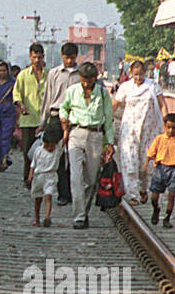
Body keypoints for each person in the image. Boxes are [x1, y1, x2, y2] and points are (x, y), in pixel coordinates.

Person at [60, 62, 115, 230]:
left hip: (96, 136)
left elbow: (108, 120)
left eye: (89, 81)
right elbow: (64, 109)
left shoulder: (103, 94)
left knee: (91, 180)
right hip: (76, 133)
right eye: (83, 80)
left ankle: (84, 211)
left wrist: (110, 143)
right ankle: (79, 216)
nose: (85, 84)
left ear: (95, 79)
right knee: (75, 177)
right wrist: (64, 124)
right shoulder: (72, 91)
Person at [114, 60, 166, 205]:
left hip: (148, 130)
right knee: (129, 161)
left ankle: (143, 188)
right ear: (131, 73)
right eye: (136, 75)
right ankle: (132, 195)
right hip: (129, 130)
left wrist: (166, 124)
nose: (138, 78)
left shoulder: (152, 86)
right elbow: (115, 104)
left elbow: (162, 105)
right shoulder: (125, 87)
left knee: (145, 163)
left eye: (141, 74)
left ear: (145, 73)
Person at [40, 42, 81, 206]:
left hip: (75, 118)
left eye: (72, 58)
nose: (69, 61)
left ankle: (73, 191)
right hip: (56, 117)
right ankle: (62, 193)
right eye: (66, 58)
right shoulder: (54, 73)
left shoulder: (81, 74)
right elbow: (48, 97)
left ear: (76, 56)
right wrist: (43, 121)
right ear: (62, 56)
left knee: (74, 156)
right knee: (57, 156)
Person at [13, 43, 47, 187]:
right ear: (30, 57)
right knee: (28, 152)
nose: (37, 60)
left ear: (43, 57)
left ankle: (41, 179)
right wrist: (21, 106)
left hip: (44, 120)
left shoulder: (49, 75)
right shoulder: (23, 75)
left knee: (45, 152)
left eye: (39, 57)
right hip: (27, 120)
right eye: (34, 57)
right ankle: (28, 179)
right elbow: (16, 94)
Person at [145, 113, 175, 228]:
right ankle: (156, 209)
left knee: (172, 195)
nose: (171, 130)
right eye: (168, 127)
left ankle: (167, 218)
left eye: (173, 128)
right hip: (160, 168)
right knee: (154, 195)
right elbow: (151, 153)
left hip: (174, 170)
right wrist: (146, 164)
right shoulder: (159, 139)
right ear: (164, 127)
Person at [28, 124, 64, 228]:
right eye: (48, 146)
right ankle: (37, 217)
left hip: (50, 176)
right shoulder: (38, 150)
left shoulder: (57, 151)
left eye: (52, 146)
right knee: (38, 198)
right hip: (38, 177)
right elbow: (33, 164)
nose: (50, 148)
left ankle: (47, 216)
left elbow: (64, 141)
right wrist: (30, 175)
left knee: (48, 195)